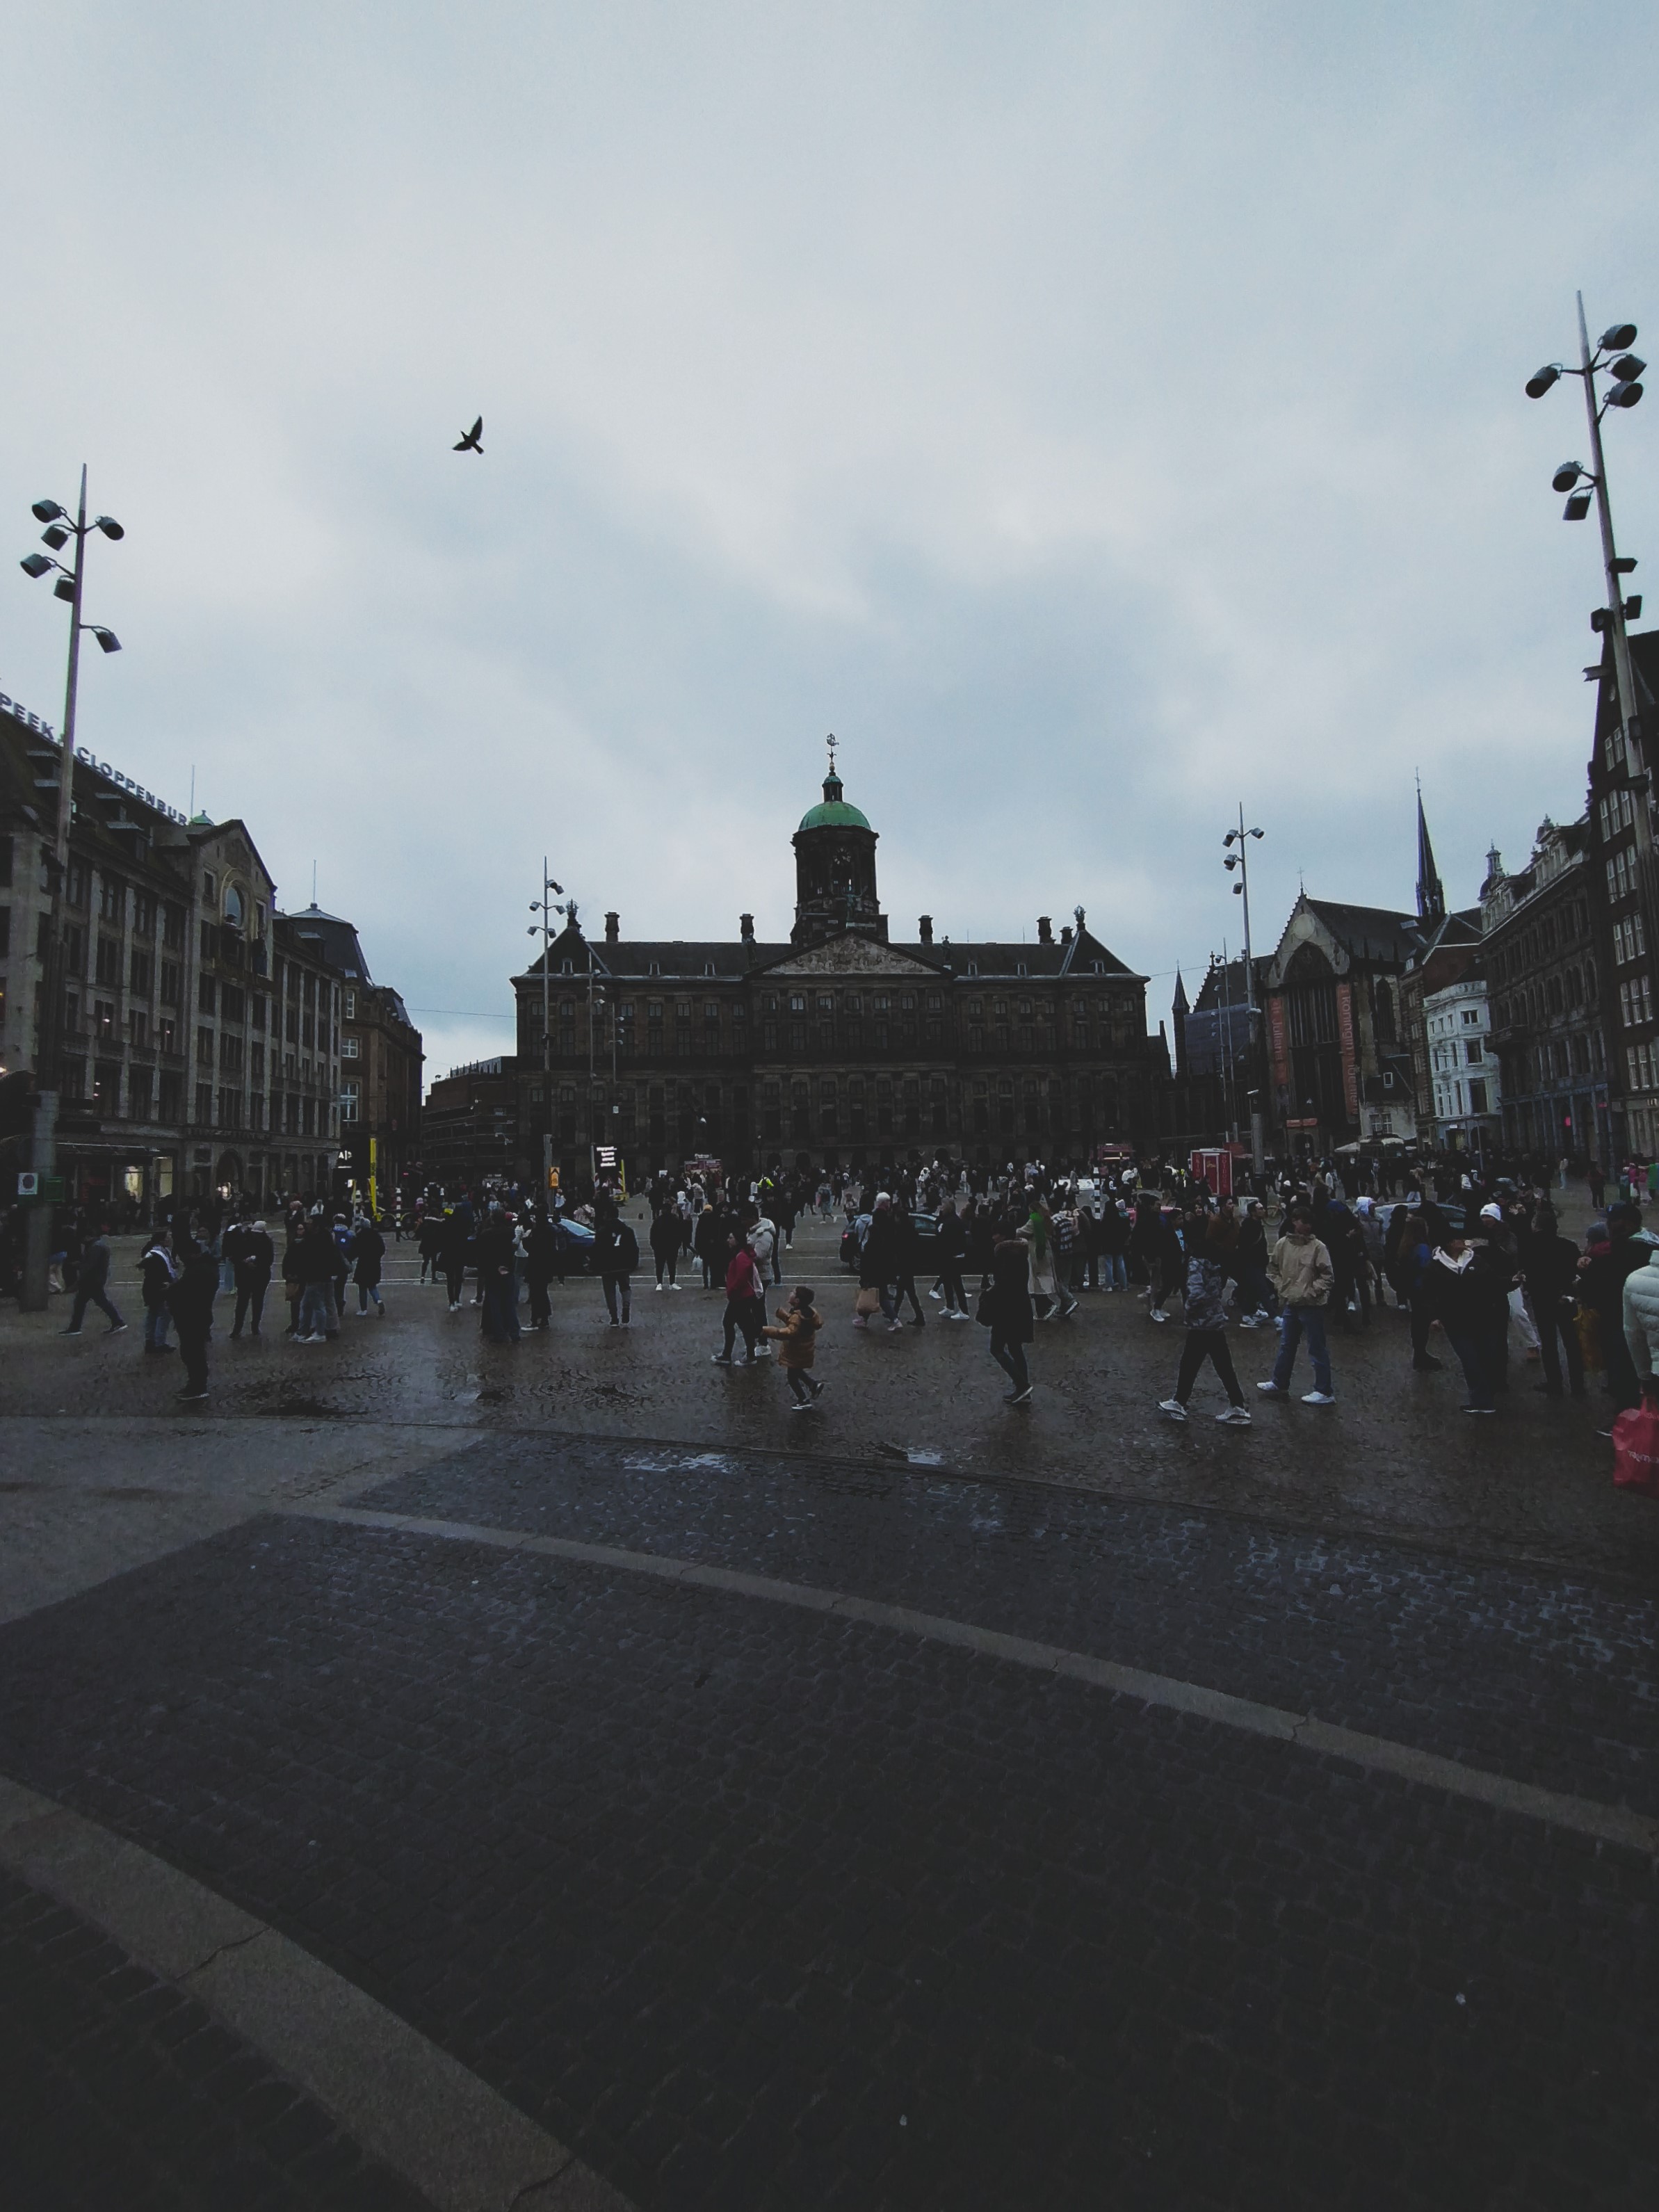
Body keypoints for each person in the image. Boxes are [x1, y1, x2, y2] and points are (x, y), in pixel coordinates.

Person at [1159, 1213, 1250, 1424]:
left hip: (1201, 1322)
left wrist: (1189, 1310)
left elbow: (1196, 1293)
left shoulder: (1196, 1263)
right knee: (1221, 1365)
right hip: (1214, 1318)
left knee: (1191, 1364)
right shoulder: (1215, 1258)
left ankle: (1180, 1402)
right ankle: (1236, 1405)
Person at [1416, 1230, 1509, 1414]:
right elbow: (1427, 1295)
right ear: (1450, 1243)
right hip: (1456, 1322)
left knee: (1487, 1357)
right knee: (1470, 1359)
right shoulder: (1435, 1267)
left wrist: (1513, 1281)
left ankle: (1486, 1397)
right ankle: (1482, 1401)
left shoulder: (1476, 1261)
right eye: (1459, 1239)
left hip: (1483, 1318)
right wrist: (1434, 1317)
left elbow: (1494, 1283)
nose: (1464, 1242)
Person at [1259, 1204, 1336, 1405]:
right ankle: (1280, 1382)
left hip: (1310, 1304)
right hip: (1292, 1302)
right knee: (1287, 1345)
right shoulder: (1284, 1244)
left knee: (1316, 1347)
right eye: (1304, 1222)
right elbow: (1273, 1268)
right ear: (1295, 1222)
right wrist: (1281, 1287)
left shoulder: (1318, 1247)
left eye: (1309, 1223)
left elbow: (1328, 1276)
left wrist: (1310, 1292)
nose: (1307, 1226)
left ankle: (1324, 1390)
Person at [1518, 1202, 1585, 1399]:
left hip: (1542, 1300)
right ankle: (1578, 1387)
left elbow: (1525, 1271)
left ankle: (1555, 1384)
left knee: (1549, 1343)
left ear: (1536, 1225)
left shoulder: (1528, 1246)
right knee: (1572, 1344)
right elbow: (1577, 1274)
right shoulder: (1569, 1246)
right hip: (1565, 1298)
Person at [981, 1214, 1035, 1405]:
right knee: (1015, 1348)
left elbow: (1004, 1284)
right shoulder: (1019, 1253)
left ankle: (1022, 1385)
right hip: (1020, 1306)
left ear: (1002, 1236)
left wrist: (989, 1294)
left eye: (996, 1234)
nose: (993, 1237)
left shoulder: (1005, 1256)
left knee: (996, 1348)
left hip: (1007, 1309)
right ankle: (1023, 1391)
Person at [166, 1234, 219, 1402]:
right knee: (193, 1352)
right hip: (195, 1316)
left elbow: (188, 1292)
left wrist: (171, 1290)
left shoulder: (200, 1271)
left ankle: (198, 1386)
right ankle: (195, 1385)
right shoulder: (203, 1268)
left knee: (193, 1353)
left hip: (193, 1317)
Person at [763, 1283, 826, 1410]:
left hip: (796, 1351)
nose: (790, 1293)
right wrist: (784, 1316)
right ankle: (813, 1385)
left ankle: (803, 1399)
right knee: (797, 1371)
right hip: (803, 1350)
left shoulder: (797, 1317)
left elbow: (790, 1332)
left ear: (797, 1300)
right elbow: (796, 1325)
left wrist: (767, 1331)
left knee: (792, 1377)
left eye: (793, 1293)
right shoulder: (806, 1313)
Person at [62, 1224, 126, 1337]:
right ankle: (117, 1322)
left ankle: (117, 1322)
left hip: (92, 1280)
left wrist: (79, 1269)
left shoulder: (95, 1247)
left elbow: (89, 1266)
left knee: (93, 1302)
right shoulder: (97, 1245)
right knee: (92, 1302)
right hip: (95, 1279)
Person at [713, 1232, 766, 1364]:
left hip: (740, 1297)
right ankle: (743, 1354)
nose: (728, 1240)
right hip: (742, 1296)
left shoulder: (740, 1256)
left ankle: (737, 1355)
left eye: (731, 1238)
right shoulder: (742, 1254)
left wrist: (732, 1289)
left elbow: (741, 1277)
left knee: (735, 1324)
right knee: (743, 1325)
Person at [476, 1206, 520, 1341]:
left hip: (492, 1272)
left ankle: (500, 1333)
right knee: (509, 1303)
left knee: (495, 1304)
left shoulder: (486, 1235)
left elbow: (482, 1255)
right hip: (507, 1270)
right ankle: (514, 1332)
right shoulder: (510, 1232)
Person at [227, 1218, 275, 1337]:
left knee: (243, 1302)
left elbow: (234, 1255)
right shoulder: (266, 1241)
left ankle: (239, 1328)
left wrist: (244, 1262)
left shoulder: (244, 1239)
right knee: (256, 1302)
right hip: (259, 1275)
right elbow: (269, 1259)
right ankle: (253, 1327)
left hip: (246, 1275)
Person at [594, 1205, 637, 1327]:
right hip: (624, 1265)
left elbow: (597, 1250)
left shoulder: (602, 1231)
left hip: (607, 1267)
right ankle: (626, 1306)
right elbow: (633, 1248)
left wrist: (597, 1265)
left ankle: (614, 1317)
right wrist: (632, 1264)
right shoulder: (627, 1230)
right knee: (625, 1288)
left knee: (610, 1292)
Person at [138, 1227, 177, 1353]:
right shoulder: (158, 1254)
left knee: (153, 1314)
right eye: (168, 1236)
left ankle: (150, 1341)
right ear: (162, 1240)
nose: (171, 1238)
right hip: (159, 1288)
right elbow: (163, 1272)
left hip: (151, 1288)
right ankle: (159, 1343)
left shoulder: (155, 1252)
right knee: (164, 1315)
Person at [934, 1200, 970, 1320]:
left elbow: (945, 1238)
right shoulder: (952, 1221)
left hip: (952, 1257)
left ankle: (964, 1311)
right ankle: (950, 1307)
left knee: (956, 1284)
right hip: (950, 1256)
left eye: (944, 1207)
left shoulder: (952, 1222)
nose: (942, 1209)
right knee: (948, 1282)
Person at [524, 1209, 558, 1330]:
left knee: (536, 1293)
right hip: (546, 1266)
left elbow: (532, 1247)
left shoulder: (538, 1231)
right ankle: (544, 1318)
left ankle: (535, 1320)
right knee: (542, 1292)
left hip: (536, 1265)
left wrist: (526, 1238)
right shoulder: (550, 1230)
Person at [350, 1215, 387, 1316]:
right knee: (372, 1285)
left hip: (363, 1263)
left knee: (362, 1287)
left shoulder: (360, 1236)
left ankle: (363, 1309)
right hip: (374, 1263)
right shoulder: (376, 1235)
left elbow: (355, 1250)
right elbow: (382, 1249)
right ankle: (378, 1300)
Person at [438, 1206, 470, 1311]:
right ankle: (456, 1299)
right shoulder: (461, 1226)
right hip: (459, 1254)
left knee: (451, 1280)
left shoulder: (444, 1226)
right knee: (458, 1279)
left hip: (448, 1255)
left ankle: (452, 1302)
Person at [649, 1203, 682, 1291]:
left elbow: (679, 1233)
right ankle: (661, 1283)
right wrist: (654, 1245)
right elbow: (653, 1234)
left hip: (670, 1247)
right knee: (662, 1265)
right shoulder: (659, 1220)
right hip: (661, 1247)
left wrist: (677, 1244)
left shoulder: (672, 1220)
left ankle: (671, 1283)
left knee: (670, 1265)